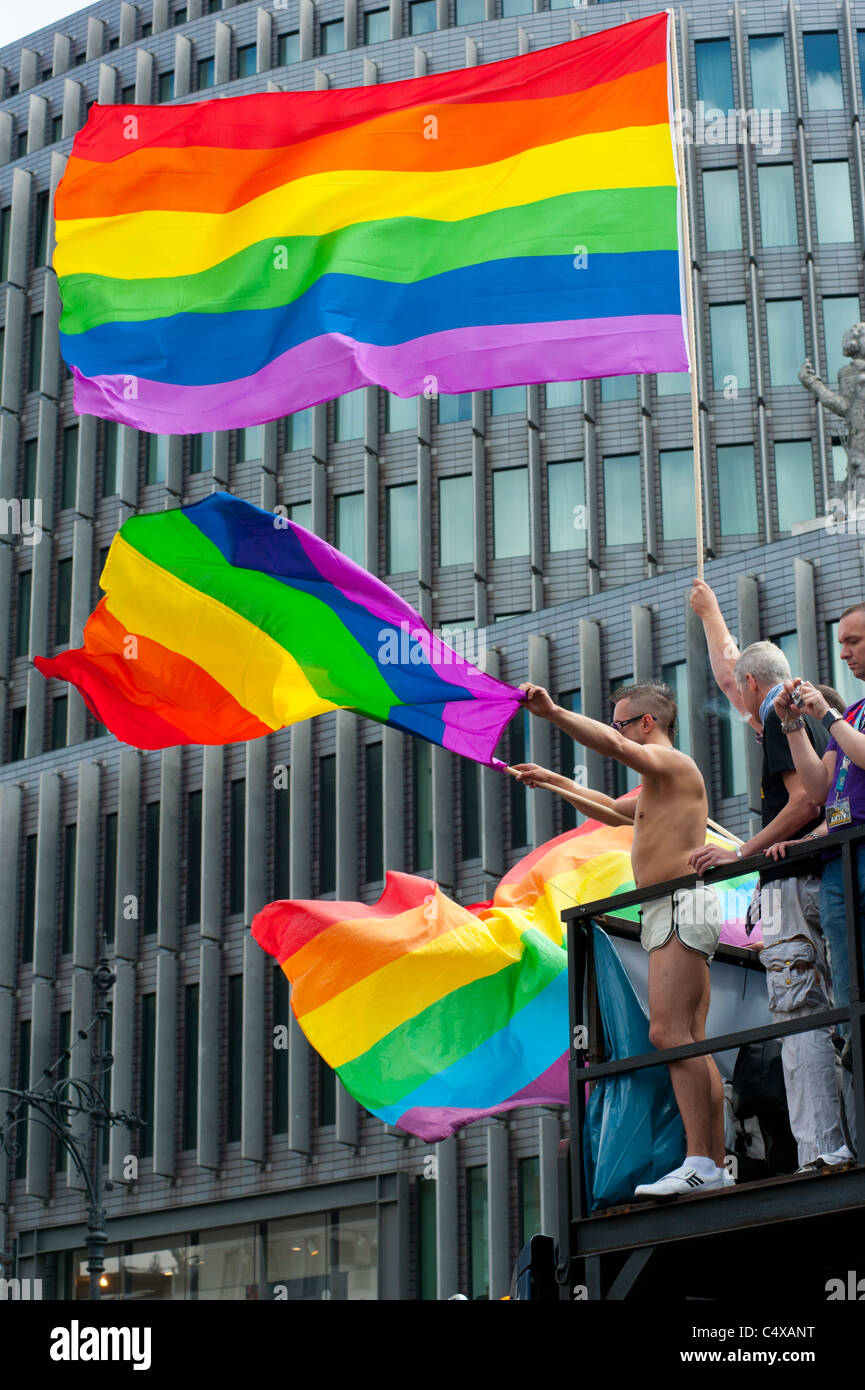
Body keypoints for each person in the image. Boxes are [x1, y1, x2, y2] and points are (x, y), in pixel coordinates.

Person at [514, 679, 728, 1198]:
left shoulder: (674, 765)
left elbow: (614, 748)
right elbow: (613, 812)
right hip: (665, 905)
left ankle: (705, 1160)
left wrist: (551, 712)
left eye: (622, 721)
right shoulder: (660, 785)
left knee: (670, 1034)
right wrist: (553, 780)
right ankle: (708, 1160)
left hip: (680, 900)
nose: (617, 732)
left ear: (646, 723)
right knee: (684, 1036)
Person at [688, 580, 850, 1171]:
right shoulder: (804, 706)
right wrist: (709, 614)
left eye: (742, 690)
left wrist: (743, 854)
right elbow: (735, 670)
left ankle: (821, 1150)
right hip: (821, 878)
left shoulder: (786, 719)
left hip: (795, 884)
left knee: (799, 1014)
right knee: (831, 1010)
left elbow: (804, 802)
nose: (735, 696)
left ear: (757, 688)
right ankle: (831, 1143)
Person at [771, 602, 865, 1028]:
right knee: (846, 976)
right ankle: (853, 1050)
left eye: (853, 641)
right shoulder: (853, 713)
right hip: (838, 856)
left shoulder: (842, 717)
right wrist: (793, 725)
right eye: (841, 642)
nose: (843, 653)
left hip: (858, 848)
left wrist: (826, 715)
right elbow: (820, 789)